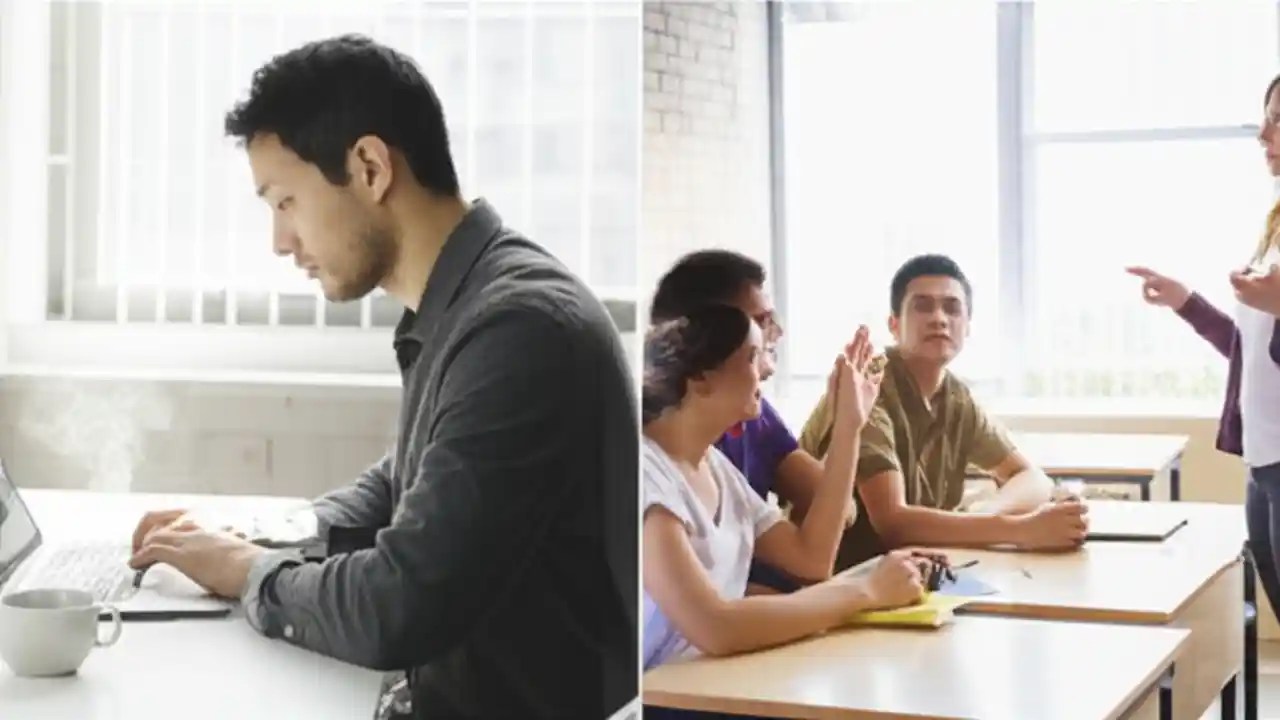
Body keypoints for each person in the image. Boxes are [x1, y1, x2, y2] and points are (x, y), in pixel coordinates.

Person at [126, 35, 636, 719]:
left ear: (369, 167)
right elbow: (401, 484)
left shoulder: (520, 331)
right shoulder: (468, 303)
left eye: (284, 202)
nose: (280, 241)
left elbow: (401, 605)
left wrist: (247, 572)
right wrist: (256, 534)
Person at [642, 303, 928, 683]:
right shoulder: (645, 475)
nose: (768, 368)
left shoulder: (715, 468)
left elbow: (813, 559)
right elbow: (715, 626)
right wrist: (866, 592)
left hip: (715, 686)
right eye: (753, 356)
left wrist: (848, 425)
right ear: (700, 380)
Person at [798, 254, 1088, 570]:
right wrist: (1020, 530)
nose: (939, 318)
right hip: (831, 581)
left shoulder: (955, 398)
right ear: (894, 325)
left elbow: (1031, 477)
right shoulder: (868, 386)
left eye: (952, 308)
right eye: (923, 306)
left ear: (967, 327)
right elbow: (894, 524)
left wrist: (985, 516)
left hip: (908, 579)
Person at [1125, 72, 1280, 623]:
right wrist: (1185, 301)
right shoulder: (1274, 226)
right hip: (1264, 460)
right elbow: (1251, 352)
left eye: (1278, 120)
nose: (1263, 134)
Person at [649, 250, 858, 593]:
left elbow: (823, 539)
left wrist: (850, 422)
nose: (770, 349)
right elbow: (710, 619)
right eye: (756, 328)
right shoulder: (653, 466)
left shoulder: (724, 452)